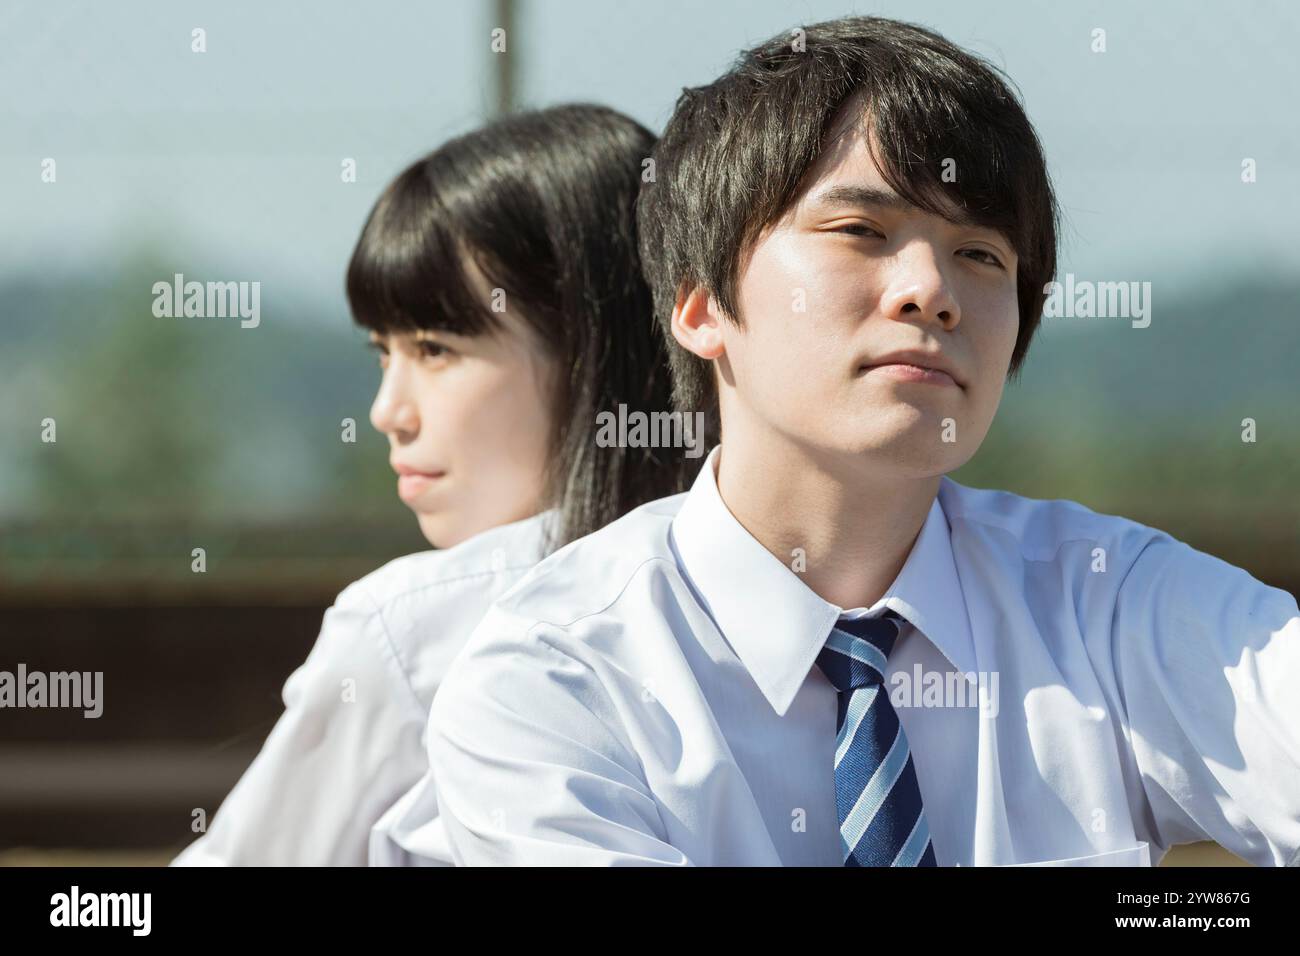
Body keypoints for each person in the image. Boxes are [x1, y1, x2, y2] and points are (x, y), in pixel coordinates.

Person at [425, 16, 1300, 866]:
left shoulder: (1111, 606)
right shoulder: (552, 679)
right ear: (698, 305)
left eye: (982, 255)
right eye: (861, 232)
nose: (930, 289)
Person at [172, 104, 694, 866]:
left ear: (592, 350)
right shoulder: (791, 591)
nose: (388, 412)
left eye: (437, 348)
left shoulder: (412, 627)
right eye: (384, 352)